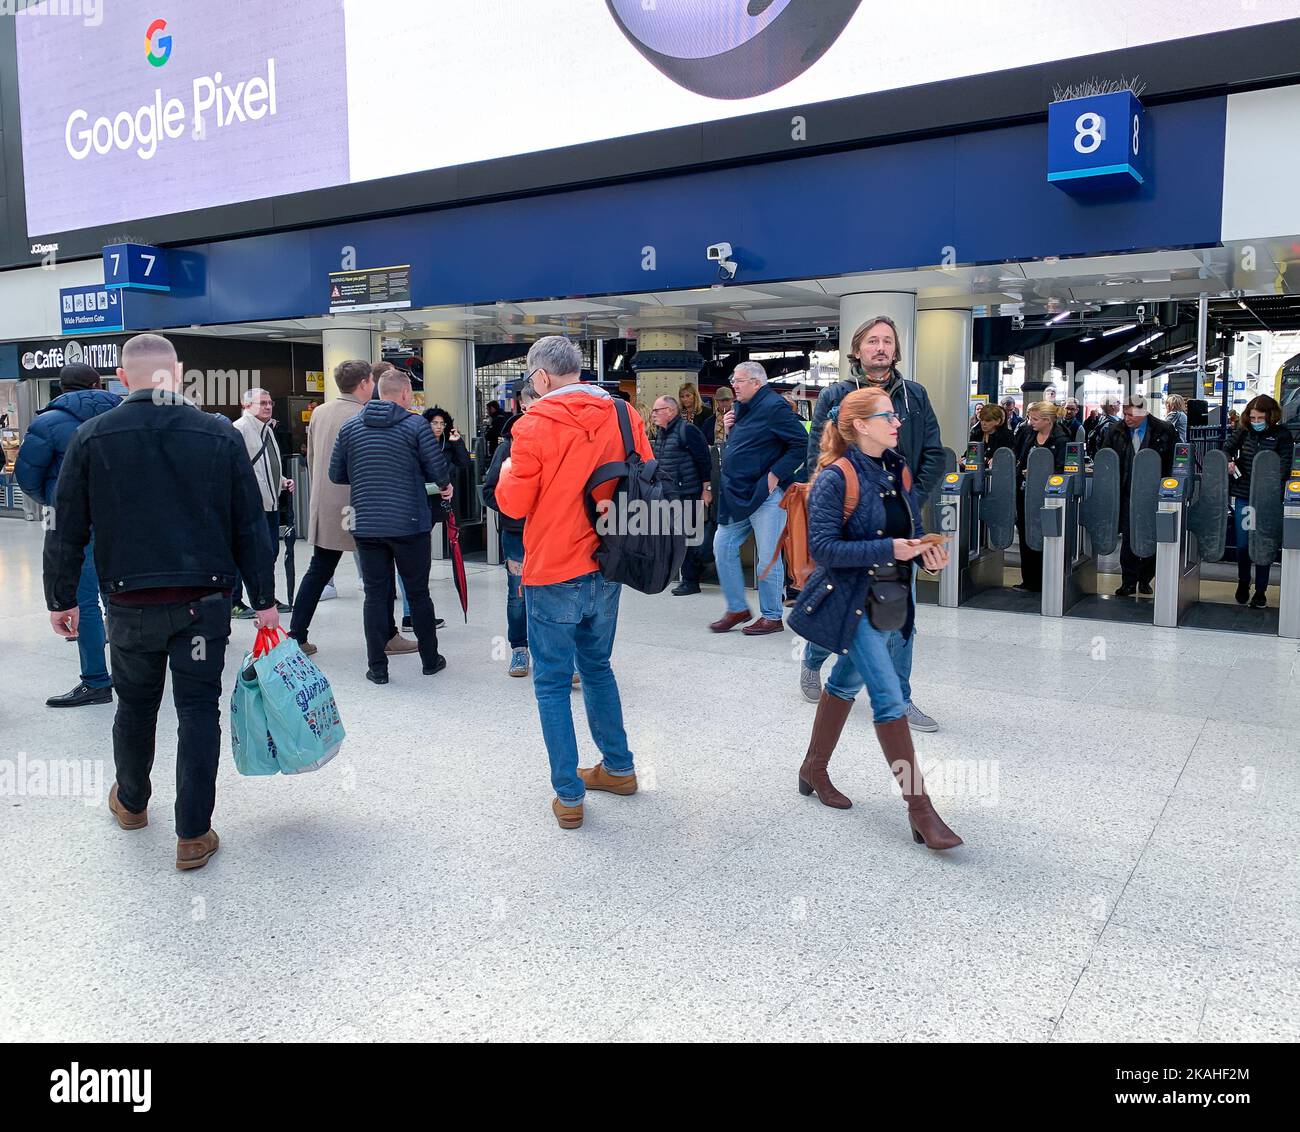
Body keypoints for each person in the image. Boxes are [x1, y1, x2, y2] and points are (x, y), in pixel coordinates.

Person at [42, 333, 280, 871]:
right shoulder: (218, 435)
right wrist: (264, 598)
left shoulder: (91, 436)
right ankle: (193, 835)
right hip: (204, 602)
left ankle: (131, 803)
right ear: (179, 373)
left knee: (135, 704)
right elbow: (249, 527)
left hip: (129, 603)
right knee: (198, 710)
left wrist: (61, 597)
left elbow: (66, 527)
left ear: (122, 379)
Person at [788, 388, 959, 849]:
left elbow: (903, 532)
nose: (897, 421)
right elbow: (823, 549)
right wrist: (889, 549)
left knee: (844, 682)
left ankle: (813, 768)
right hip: (852, 600)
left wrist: (923, 554)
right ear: (861, 425)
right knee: (887, 696)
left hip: (891, 596)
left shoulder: (897, 468)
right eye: (887, 416)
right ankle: (921, 810)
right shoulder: (835, 477)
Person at [494, 336, 652, 830]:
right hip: (608, 562)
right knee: (598, 666)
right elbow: (642, 474)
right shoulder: (624, 414)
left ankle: (569, 796)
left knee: (552, 683)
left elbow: (514, 505)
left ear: (541, 378)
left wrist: (504, 474)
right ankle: (620, 768)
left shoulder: (533, 424)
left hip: (554, 568)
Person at [802, 316, 946, 731]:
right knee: (839, 602)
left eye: (887, 341)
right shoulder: (835, 395)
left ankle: (901, 699)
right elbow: (819, 456)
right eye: (872, 341)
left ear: (895, 350)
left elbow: (935, 453)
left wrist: (910, 497)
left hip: (900, 521)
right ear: (857, 350)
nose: (880, 348)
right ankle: (813, 659)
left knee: (900, 613)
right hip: (851, 521)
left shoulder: (914, 396)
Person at [329, 368, 452, 684]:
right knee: (418, 593)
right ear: (405, 395)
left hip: (367, 525)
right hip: (409, 524)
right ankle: (430, 660)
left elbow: (336, 474)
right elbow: (437, 469)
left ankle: (377, 667)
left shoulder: (351, 427)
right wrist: (442, 484)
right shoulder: (415, 426)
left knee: (375, 595)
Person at [15, 362, 120, 708]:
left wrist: (57, 499)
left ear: (61, 388)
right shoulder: (123, 415)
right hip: (124, 523)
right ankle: (132, 671)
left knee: (84, 600)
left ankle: (95, 680)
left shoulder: (47, 422)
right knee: (122, 597)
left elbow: (27, 475)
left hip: (73, 523)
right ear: (98, 383)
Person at [710, 361, 808, 636]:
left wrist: (775, 475)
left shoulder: (774, 407)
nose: (734, 385)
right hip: (737, 493)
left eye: (739, 381)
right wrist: (730, 431)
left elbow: (801, 443)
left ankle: (772, 616)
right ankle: (737, 608)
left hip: (766, 495)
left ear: (756, 382)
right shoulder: (742, 409)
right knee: (723, 546)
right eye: (734, 380)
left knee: (768, 556)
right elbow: (748, 446)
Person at [482, 379, 537, 676]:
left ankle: (551, 652)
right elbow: (489, 490)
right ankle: (519, 648)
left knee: (554, 592)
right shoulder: (508, 448)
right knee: (518, 592)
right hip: (517, 533)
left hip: (551, 532)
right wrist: (513, 509)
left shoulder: (558, 442)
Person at [1102, 393, 1178, 597]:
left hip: (1155, 491)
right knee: (1129, 536)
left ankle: (1145, 578)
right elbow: (1105, 456)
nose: (1126, 419)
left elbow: (1174, 459)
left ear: (1144, 412)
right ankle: (1128, 580)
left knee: (1153, 534)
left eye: (1131, 415)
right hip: (1127, 491)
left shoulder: (1165, 430)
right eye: (1124, 414)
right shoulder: (1115, 430)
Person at [1225, 394, 1294, 607]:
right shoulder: (1244, 431)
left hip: (1267, 500)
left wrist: (1267, 483)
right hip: (1245, 496)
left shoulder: (1282, 435)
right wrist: (1229, 462)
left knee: (1263, 543)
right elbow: (1226, 448)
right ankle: (1243, 581)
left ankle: (1261, 590)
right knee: (1244, 543)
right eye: (1252, 418)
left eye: (1259, 418)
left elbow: (1284, 467)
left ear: (1270, 416)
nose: (1255, 422)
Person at [231, 387, 294, 617]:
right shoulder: (240, 429)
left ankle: (265, 597)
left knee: (269, 553)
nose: (268, 406)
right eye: (262, 403)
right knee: (245, 554)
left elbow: (266, 464)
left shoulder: (266, 428)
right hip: (251, 507)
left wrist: (282, 481)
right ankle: (235, 601)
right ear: (246, 406)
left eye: (270, 402)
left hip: (270, 502)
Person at [650, 394, 713, 596]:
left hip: (687, 492)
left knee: (687, 538)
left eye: (657, 411)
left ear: (670, 411)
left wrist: (706, 489)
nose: (653, 415)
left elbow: (704, 460)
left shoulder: (688, 431)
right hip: (669, 493)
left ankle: (690, 580)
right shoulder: (662, 432)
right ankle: (684, 576)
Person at [1012, 402, 1070, 593]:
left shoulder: (1061, 439)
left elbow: (1063, 469)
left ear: (1047, 420)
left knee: (1048, 536)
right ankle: (1029, 580)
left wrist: (1042, 473)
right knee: (1026, 533)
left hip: (1049, 496)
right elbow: (1018, 457)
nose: (1031, 422)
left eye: (1035, 419)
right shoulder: (1027, 434)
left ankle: (1049, 579)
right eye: (1030, 418)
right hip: (1025, 493)